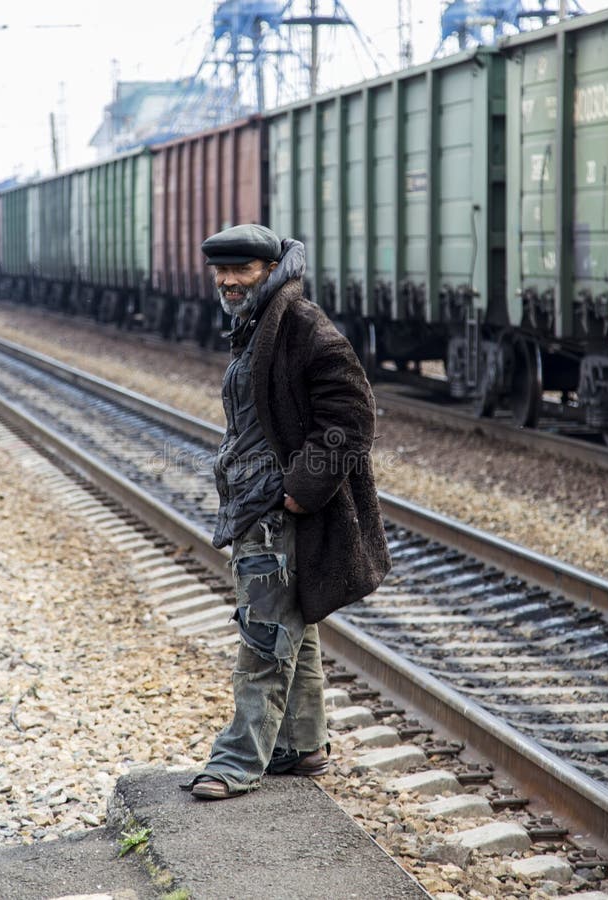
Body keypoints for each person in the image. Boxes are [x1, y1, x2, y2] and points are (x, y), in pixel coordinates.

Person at [184, 223, 391, 800]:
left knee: (264, 632)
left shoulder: (300, 324)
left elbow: (353, 415)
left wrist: (303, 489)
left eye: (240, 270)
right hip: (258, 499)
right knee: (290, 622)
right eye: (220, 271)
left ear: (269, 269)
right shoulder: (257, 320)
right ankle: (304, 745)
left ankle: (236, 761)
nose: (227, 280)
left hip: (278, 507)